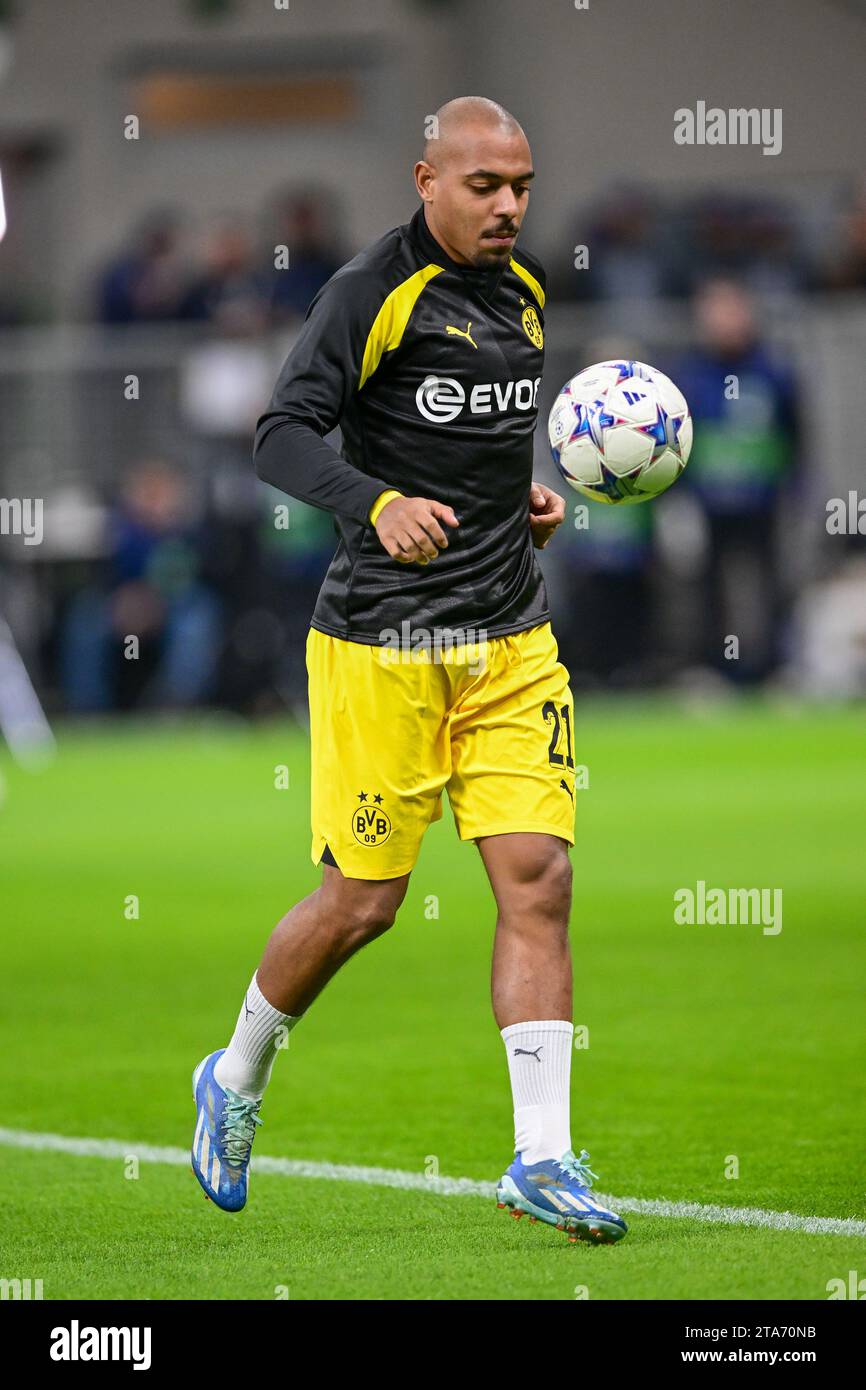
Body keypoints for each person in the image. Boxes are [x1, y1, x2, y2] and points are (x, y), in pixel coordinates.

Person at [190, 96, 627, 1244]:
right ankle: (234, 1074)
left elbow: (481, 441)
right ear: (425, 178)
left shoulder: (528, 296)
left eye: (522, 187)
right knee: (360, 905)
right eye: (484, 186)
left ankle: (541, 1156)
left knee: (537, 876)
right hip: (383, 647)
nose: (508, 208)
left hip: (509, 642)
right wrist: (374, 503)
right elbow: (281, 431)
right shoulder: (367, 292)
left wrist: (520, 504)